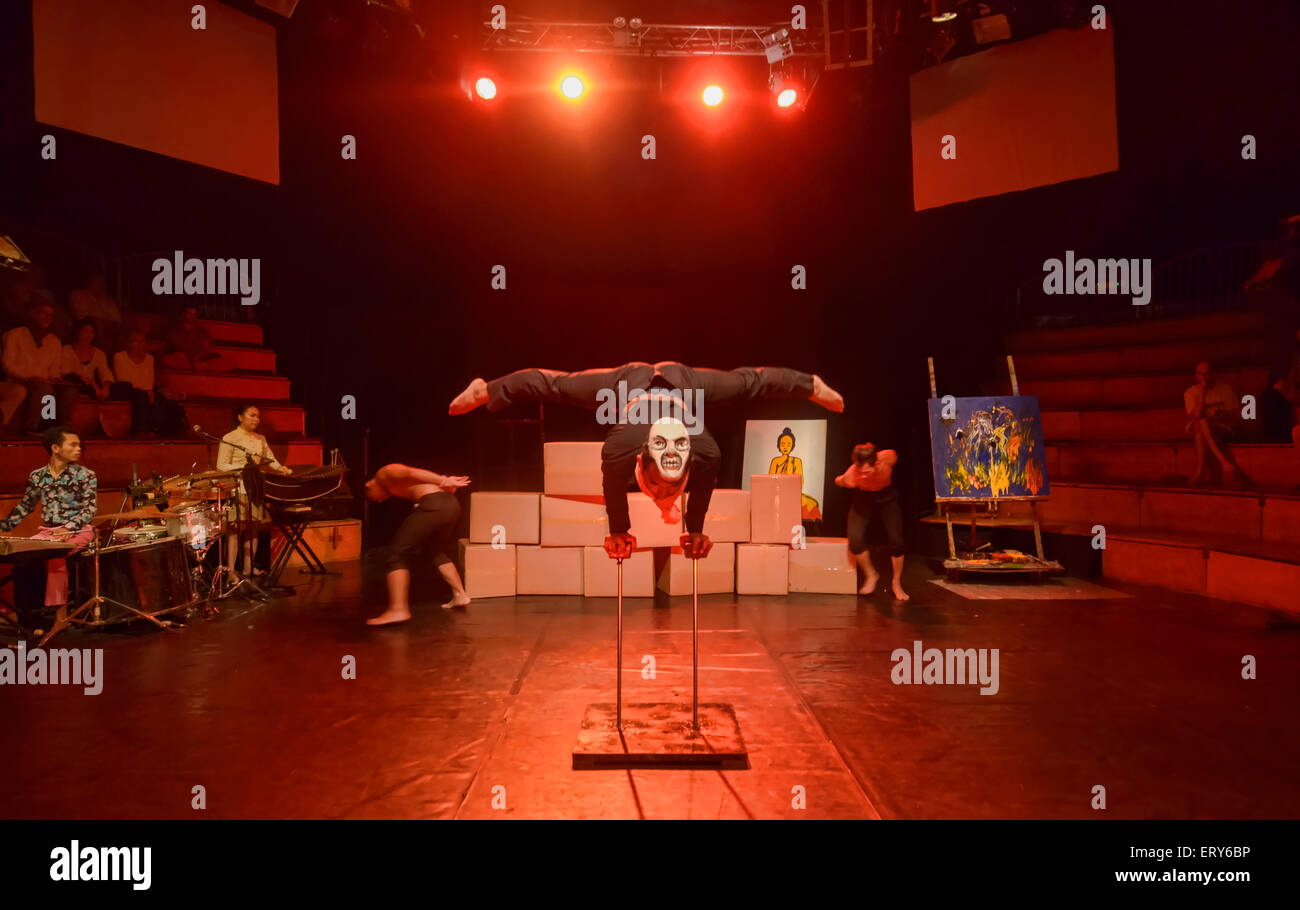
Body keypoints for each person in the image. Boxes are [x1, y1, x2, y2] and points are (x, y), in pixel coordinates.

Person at [449, 362, 844, 560]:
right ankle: (487, 389)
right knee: (558, 385)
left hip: (676, 382)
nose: (661, 495)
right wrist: (623, 528)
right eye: (659, 486)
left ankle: (810, 383)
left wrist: (690, 529)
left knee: (748, 382)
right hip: (629, 384)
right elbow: (612, 490)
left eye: (669, 488)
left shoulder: (702, 453)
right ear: (640, 466)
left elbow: (698, 490)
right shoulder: (621, 449)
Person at [0, 425, 97, 609]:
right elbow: (25, 507)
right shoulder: (37, 476)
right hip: (49, 532)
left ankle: (56, 612)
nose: (79, 449)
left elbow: (89, 510)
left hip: (79, 530)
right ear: (55, 448)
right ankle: (31, 619)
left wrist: (67, 528)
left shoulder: (86, 475)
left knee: (54, 552)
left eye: (80, 445)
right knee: (24, 559)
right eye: (73, 445)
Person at [364, 464, 472, 625]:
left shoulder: (384, 474)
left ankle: (398, 610)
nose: (379, 501)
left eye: (375, 498)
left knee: (395, 554)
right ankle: (460, 595)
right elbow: (425, 485)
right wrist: (442, 486)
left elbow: (412, 472)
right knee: (435, 551)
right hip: (449, 505)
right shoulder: (393, 487)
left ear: (369, 486)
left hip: (435, 505)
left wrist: (443, 480)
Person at [216, 403, 292, 579]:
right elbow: (221, 466)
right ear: (240, 417)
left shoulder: (260, 438)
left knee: (253, 529)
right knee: (235, 530)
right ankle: (231, 571)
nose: (256, 419)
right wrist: (246, 468)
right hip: (238, 488)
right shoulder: (230, 437)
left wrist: (280, 468)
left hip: (255, 488)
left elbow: (270, 459)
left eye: (258, 416)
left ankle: (249, 569)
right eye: (252, 415)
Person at [835, 443, 908, 601]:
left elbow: (894, 454)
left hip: (887, 495)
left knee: (897, 541)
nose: (864, 476)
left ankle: (896, 583)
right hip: (864, 498)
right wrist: (842, 480)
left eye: (867, 472)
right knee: (855, 541)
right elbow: (838, 481)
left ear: (876, 463)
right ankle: (871, 575)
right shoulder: (852, 475)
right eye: (861, 472)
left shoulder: (888, 458)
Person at [2, 300, 78, 434]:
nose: (47, 317)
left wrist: (56, 379)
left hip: (43, 382)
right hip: (19, 380)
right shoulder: (15, 335)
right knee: (44, 388)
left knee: (68, 390)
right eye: (43, 313)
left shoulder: (54, 342)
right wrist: (28, 377)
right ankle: (32, 427)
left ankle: (63, 429)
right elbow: (8, 364)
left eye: (51, 315)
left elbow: (53, 370)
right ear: (33, 314)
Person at [111, 328, 186, 436]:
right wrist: (143, 389)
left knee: (159, 397)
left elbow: (148, 381)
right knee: (141, 396)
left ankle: (153, 430)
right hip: (127, 390)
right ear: (129, 342)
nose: (139, 344)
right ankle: (140, 430)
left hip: (145, 391)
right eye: (136, 341)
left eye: (142, 341)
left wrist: (148, 390)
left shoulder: (150, 358)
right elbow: (121, 378)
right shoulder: (119, 357)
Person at [1183, 361, 1241, 486]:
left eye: (1206, 374)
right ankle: (1224, 463)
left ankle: (1199, 474)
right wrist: (1202, 394)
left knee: (1201, 426)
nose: (1203, 378)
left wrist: (1216, 417)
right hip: (1203, 429)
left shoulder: (1225, 389)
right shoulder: (1190, 393)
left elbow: (1234, 415)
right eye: (1199, 374)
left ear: (1213, 374)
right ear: (1195, 375)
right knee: (1201, 424)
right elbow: (1196, 415)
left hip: (1222, 428)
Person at [68, 269, 123, 352]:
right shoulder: (78, 295)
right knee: (93, 326)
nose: (101, 284)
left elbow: (117, 319)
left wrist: (103, 322)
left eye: (102, 281)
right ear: (90, 281)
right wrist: (98, 321)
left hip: (106, 332)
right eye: (97, 280)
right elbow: (79, 315)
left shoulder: (108, 301)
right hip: (84, 327)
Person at [61, 318, 114, 401]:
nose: (88, 335)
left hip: (92, 389)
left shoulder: (99, 354)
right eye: (85, 331)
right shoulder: (67, 350)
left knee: (122, 387)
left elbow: (106, 374)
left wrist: (106, 387)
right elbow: (66, 373)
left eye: (91, 332)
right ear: (78, 332)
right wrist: (92, 384)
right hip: (73, 386)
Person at [162, 305, 227, 372]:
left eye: (194, 314)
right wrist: (182, 356)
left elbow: (206, 350)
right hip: (182, 361)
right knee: (166, 359)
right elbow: (173, 348)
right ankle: (190, 366)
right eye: (189, 313)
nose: (192, 316)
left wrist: (198, 359)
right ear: (183, 314)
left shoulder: (203, 333)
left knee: (229, 362)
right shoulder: (174, 332)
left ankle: (202, 366)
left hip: (200, 362)